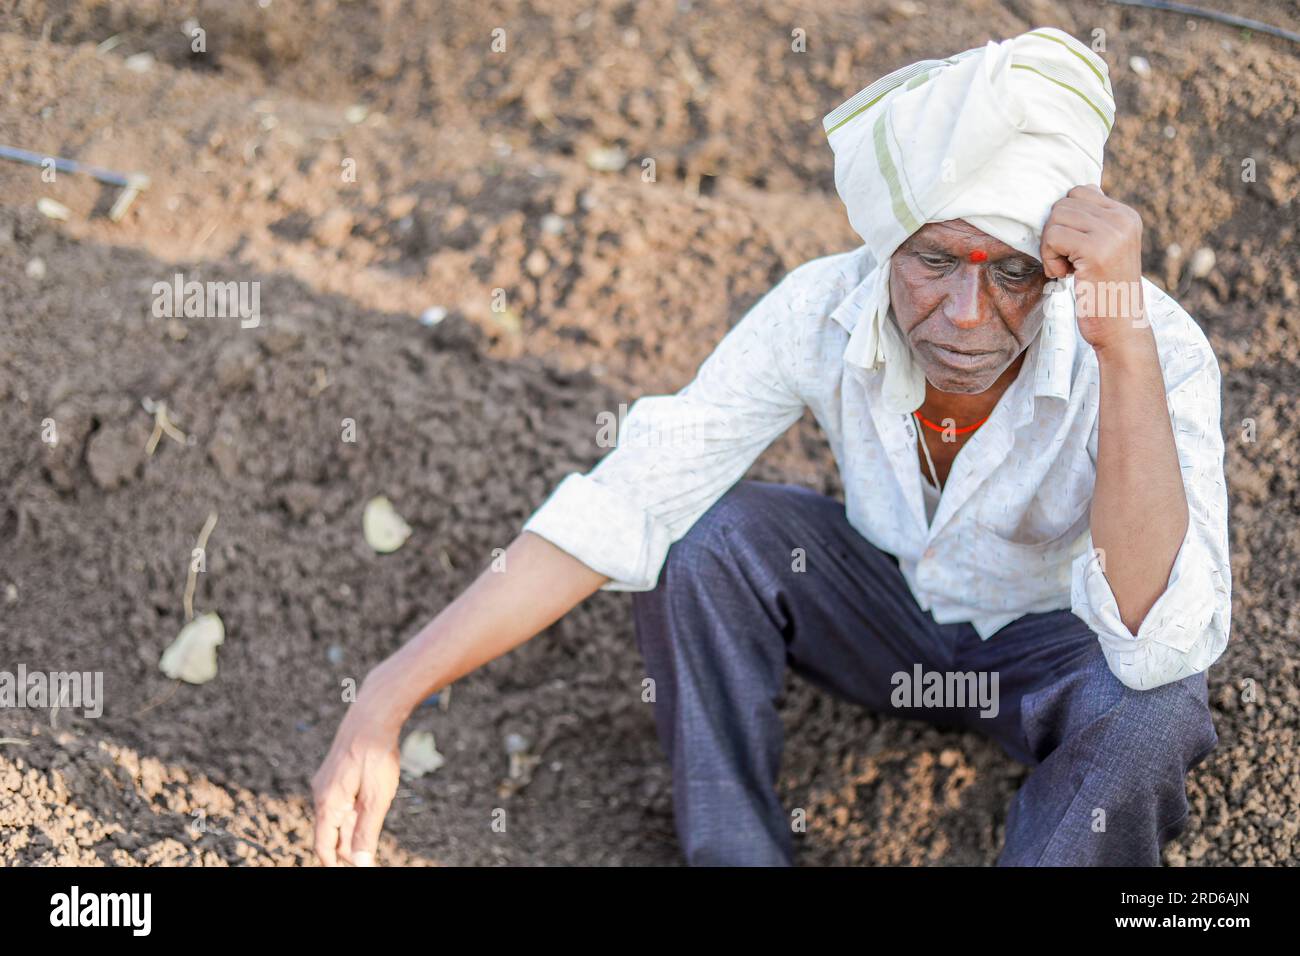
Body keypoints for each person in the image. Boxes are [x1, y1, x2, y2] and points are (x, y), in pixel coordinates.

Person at [312, 27, 1230, 867]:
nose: (962, 314)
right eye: (934, 260)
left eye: (1014, 273)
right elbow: (628, 498)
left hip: (1052, 654)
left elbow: (1157, 644)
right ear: (886, 244)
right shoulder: (821, 312)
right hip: (887, 616)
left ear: (1067, 273)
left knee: (1153, 711)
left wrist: (1121, 345)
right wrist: (384, 699)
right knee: (709, 540)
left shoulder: (1154, 351)